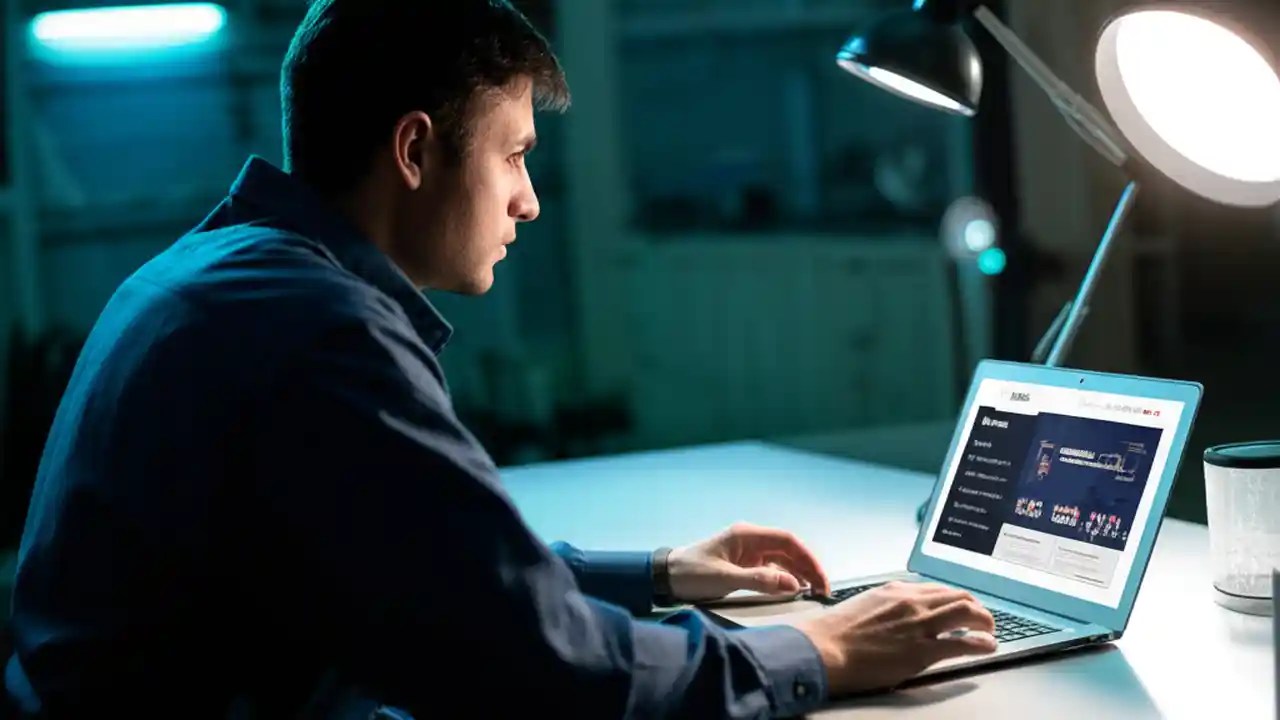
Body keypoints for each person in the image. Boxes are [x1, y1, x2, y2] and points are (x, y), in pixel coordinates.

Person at [2, 1, 998, 717]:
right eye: (515, 155)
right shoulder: (321, 331)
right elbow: (531, 665)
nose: (527, 200)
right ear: (414, 151)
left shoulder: (223, 270)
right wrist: (816, 649)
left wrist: (660, 573)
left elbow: (416, 566)